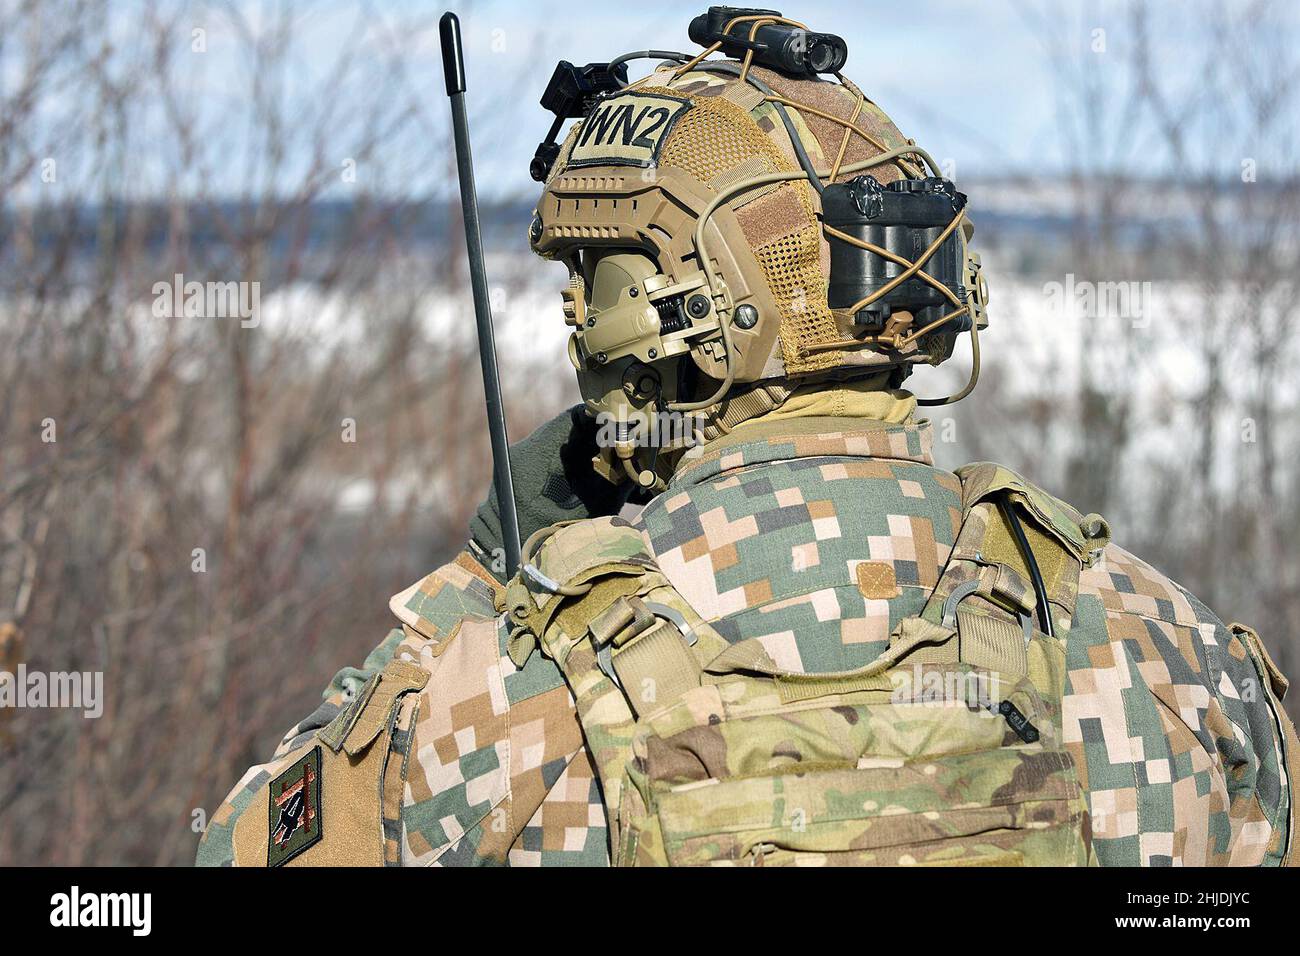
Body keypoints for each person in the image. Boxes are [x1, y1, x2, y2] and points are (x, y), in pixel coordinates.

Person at [198, 10, 1297, 867]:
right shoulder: (1156, 643)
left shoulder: (508, 686)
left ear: (655, 314)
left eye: (588, 286)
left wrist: (482, 577)